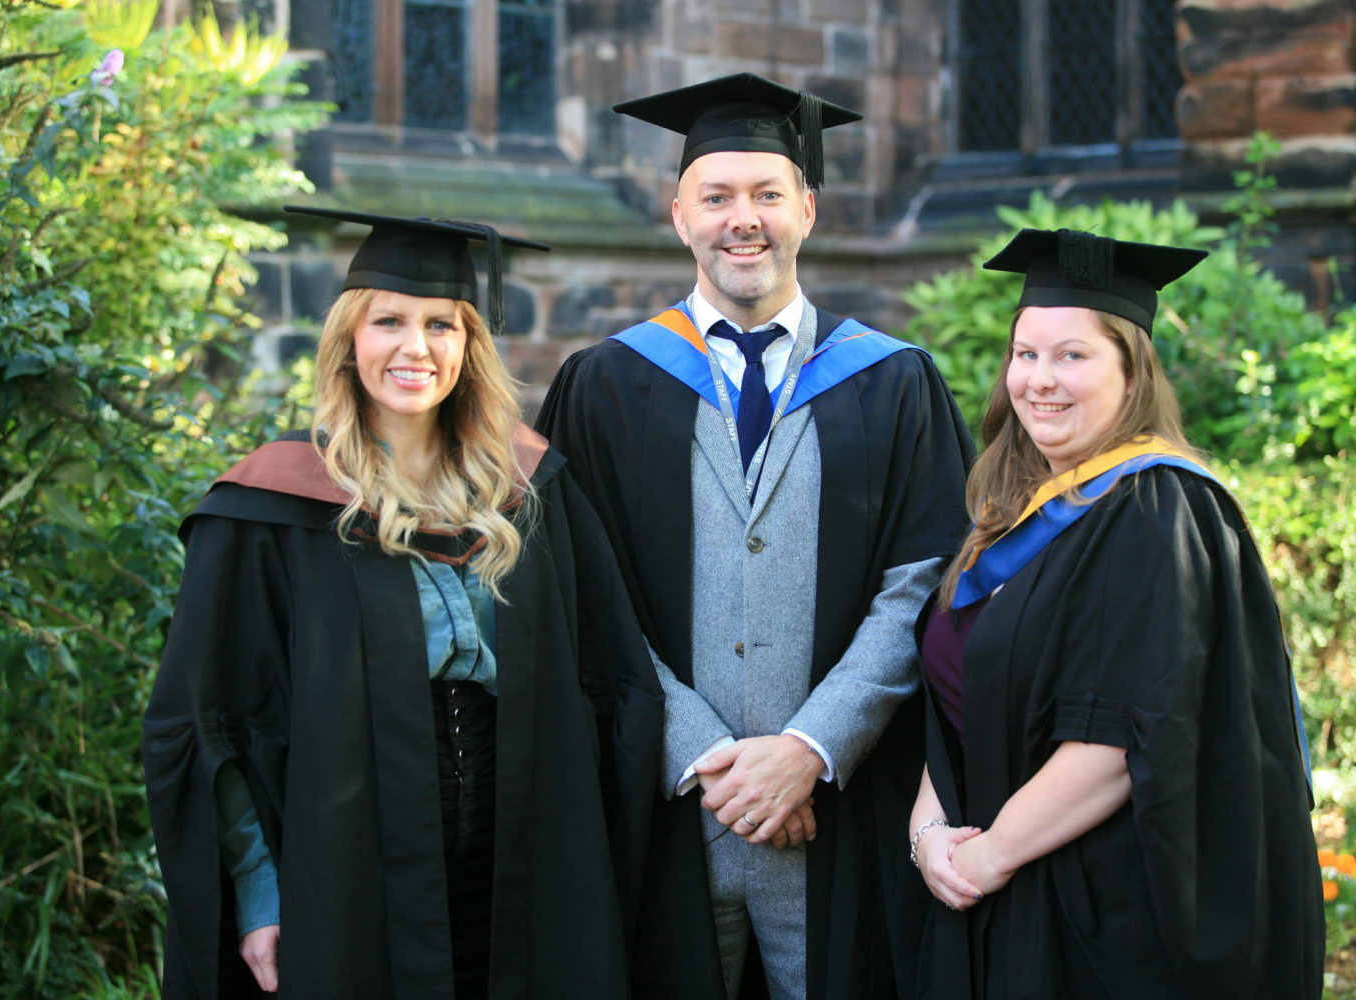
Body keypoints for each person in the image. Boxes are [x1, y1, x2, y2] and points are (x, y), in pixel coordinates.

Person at [143, 208, 664, 1000]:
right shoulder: (271, 508)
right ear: (350, 340)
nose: (415, 347)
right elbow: (208, 718)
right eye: (389, 320)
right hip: (351, 873)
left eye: (441, 325)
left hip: (526, 861)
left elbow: (611, 683)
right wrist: (258, 895)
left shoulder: (532, 492)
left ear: (469, 345)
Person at [535, 73, 976, 999]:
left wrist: (810, 748)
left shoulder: (892, 382)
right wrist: (707, 757)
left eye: (768, 194)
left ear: (808, 209)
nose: (745, 219)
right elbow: (584, 590)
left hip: (840, 811)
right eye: (719, 196)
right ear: (679, 212)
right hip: (671, 810)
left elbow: (925, 584)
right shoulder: (606, 384)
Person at [909, 228, 1325, 999]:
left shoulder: (1159, 509)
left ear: (1132, 374)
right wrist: (928, 834)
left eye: (1073, 355)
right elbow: (954, 699)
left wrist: (990, 854)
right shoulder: (1007, 516)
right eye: (1025, 354)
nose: (1040, 379)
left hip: (1093, 909)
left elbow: (1126, 734)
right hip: (982, 888)